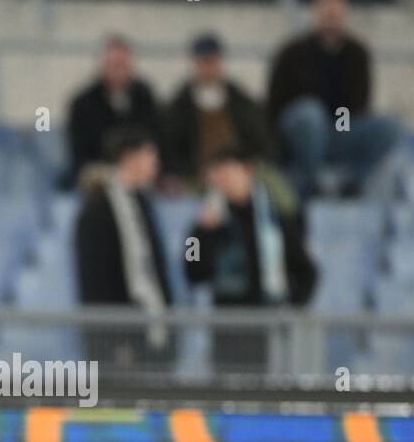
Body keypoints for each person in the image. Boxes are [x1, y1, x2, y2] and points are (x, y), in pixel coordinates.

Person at [186, 145, 318, 372]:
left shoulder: (276, 219)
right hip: (226, 330)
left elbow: (307, 270)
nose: (224, 181)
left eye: (229, 173)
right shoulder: (205, 222)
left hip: (270, 327)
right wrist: (203, 232)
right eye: (219, 176)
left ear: (247, 172)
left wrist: (292, 309)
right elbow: (193, 272)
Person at [266, 0, 400, 197]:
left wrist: (339, 125)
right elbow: (275, 102)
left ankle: (353, 181)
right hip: (298, 131)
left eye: (336, 12)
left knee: (390, 126)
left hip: (337, 128)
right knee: (310, 114)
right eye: (326, 10)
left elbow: (359, 104)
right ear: (315, 13)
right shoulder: (292, 52)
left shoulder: (357, 54)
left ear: (345, 14)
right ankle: (310, 181)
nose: (331, 16)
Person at [74, 125, 174, 369]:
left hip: (150, 331)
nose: (155, 163)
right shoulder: (97, 210)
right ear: (130, 158)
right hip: (118, 339)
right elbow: (94, 281)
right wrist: (113, 340)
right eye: (150, 155)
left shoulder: (142, 204)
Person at [160, 33, 271, 189]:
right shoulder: (179, 106)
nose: (208, 67)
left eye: (212, 61)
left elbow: (260, 138)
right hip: (197, 176)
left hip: (242, 170)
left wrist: (247, 165)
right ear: (195, 64)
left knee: (274, 187)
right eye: (204, 62)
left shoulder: (240, 99)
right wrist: (196, 171)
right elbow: (171, 149)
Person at [62, 35, 160, 190]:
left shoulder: (145, 97)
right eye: (114, 64)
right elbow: (80, 154)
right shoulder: (82, 103)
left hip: (139, 172)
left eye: (123, 64)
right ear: (103, 65)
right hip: (99, 171)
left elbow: (154, 137)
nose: (119, 70)